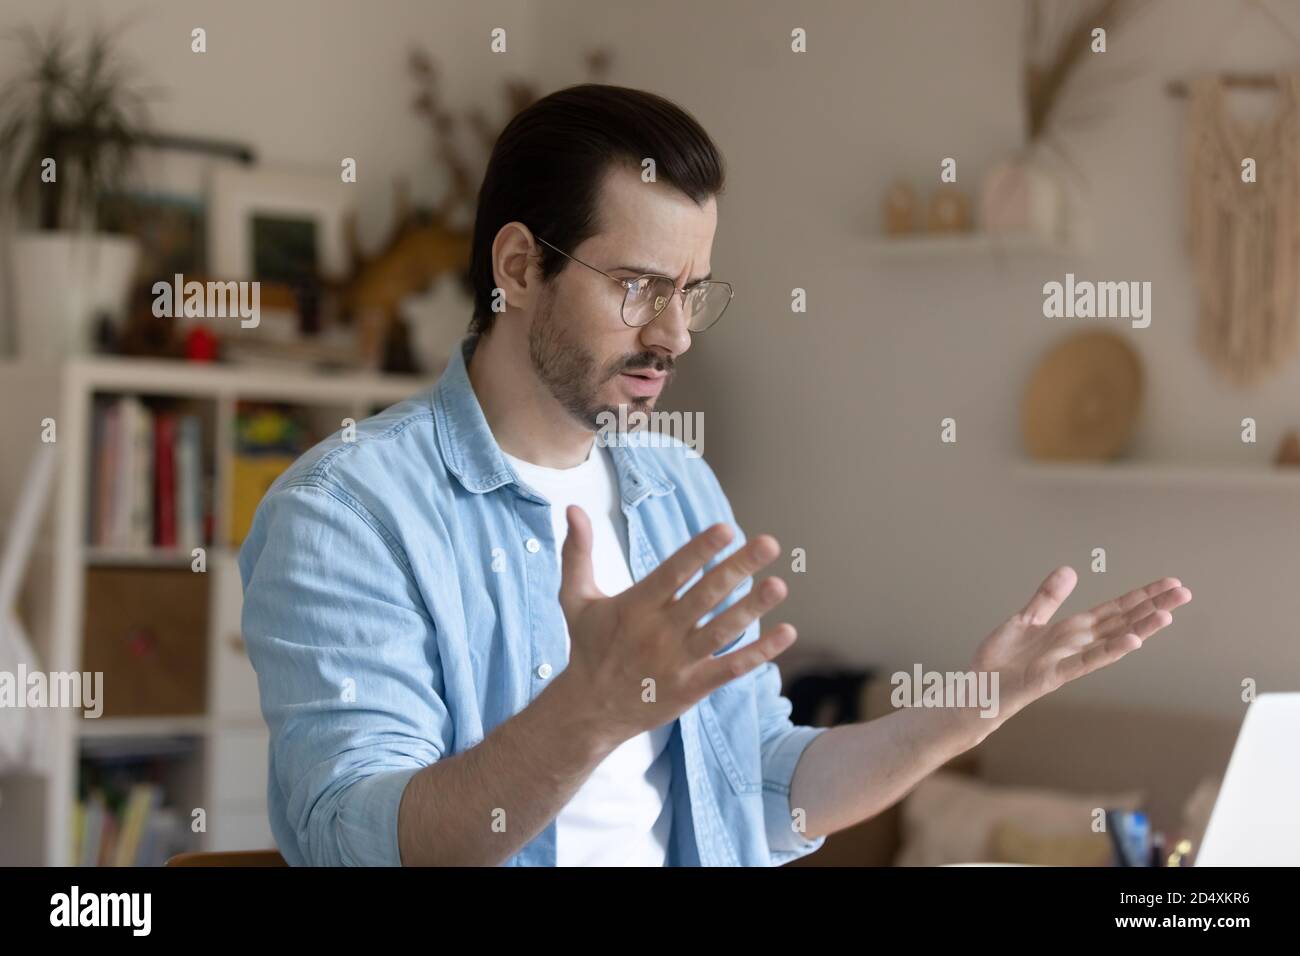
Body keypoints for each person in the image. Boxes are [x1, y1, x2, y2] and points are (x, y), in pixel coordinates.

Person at [238, 83, 1192, 866]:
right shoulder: (347, 512)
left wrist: (967, 715)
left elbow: (761, 782)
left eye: (691, 293)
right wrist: (588, 711)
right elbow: (352, 845)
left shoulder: (674, 486)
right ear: (520, 268)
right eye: (639, 287)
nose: (675, 335)